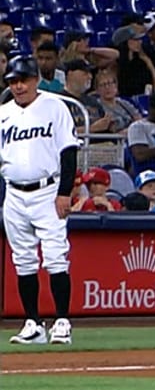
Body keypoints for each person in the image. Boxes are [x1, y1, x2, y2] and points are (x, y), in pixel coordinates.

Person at [2, 57, 81, 345]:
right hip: (13, 192)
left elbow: (68, 152)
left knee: (55, 256)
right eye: (13, 81)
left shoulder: (55, 106)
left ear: (36, 79)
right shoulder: (3, 113)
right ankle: (33, 323)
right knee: (22, 260)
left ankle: (62, 321)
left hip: (47, 192)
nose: (19, 86)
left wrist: (64, 192)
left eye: (23, 80)